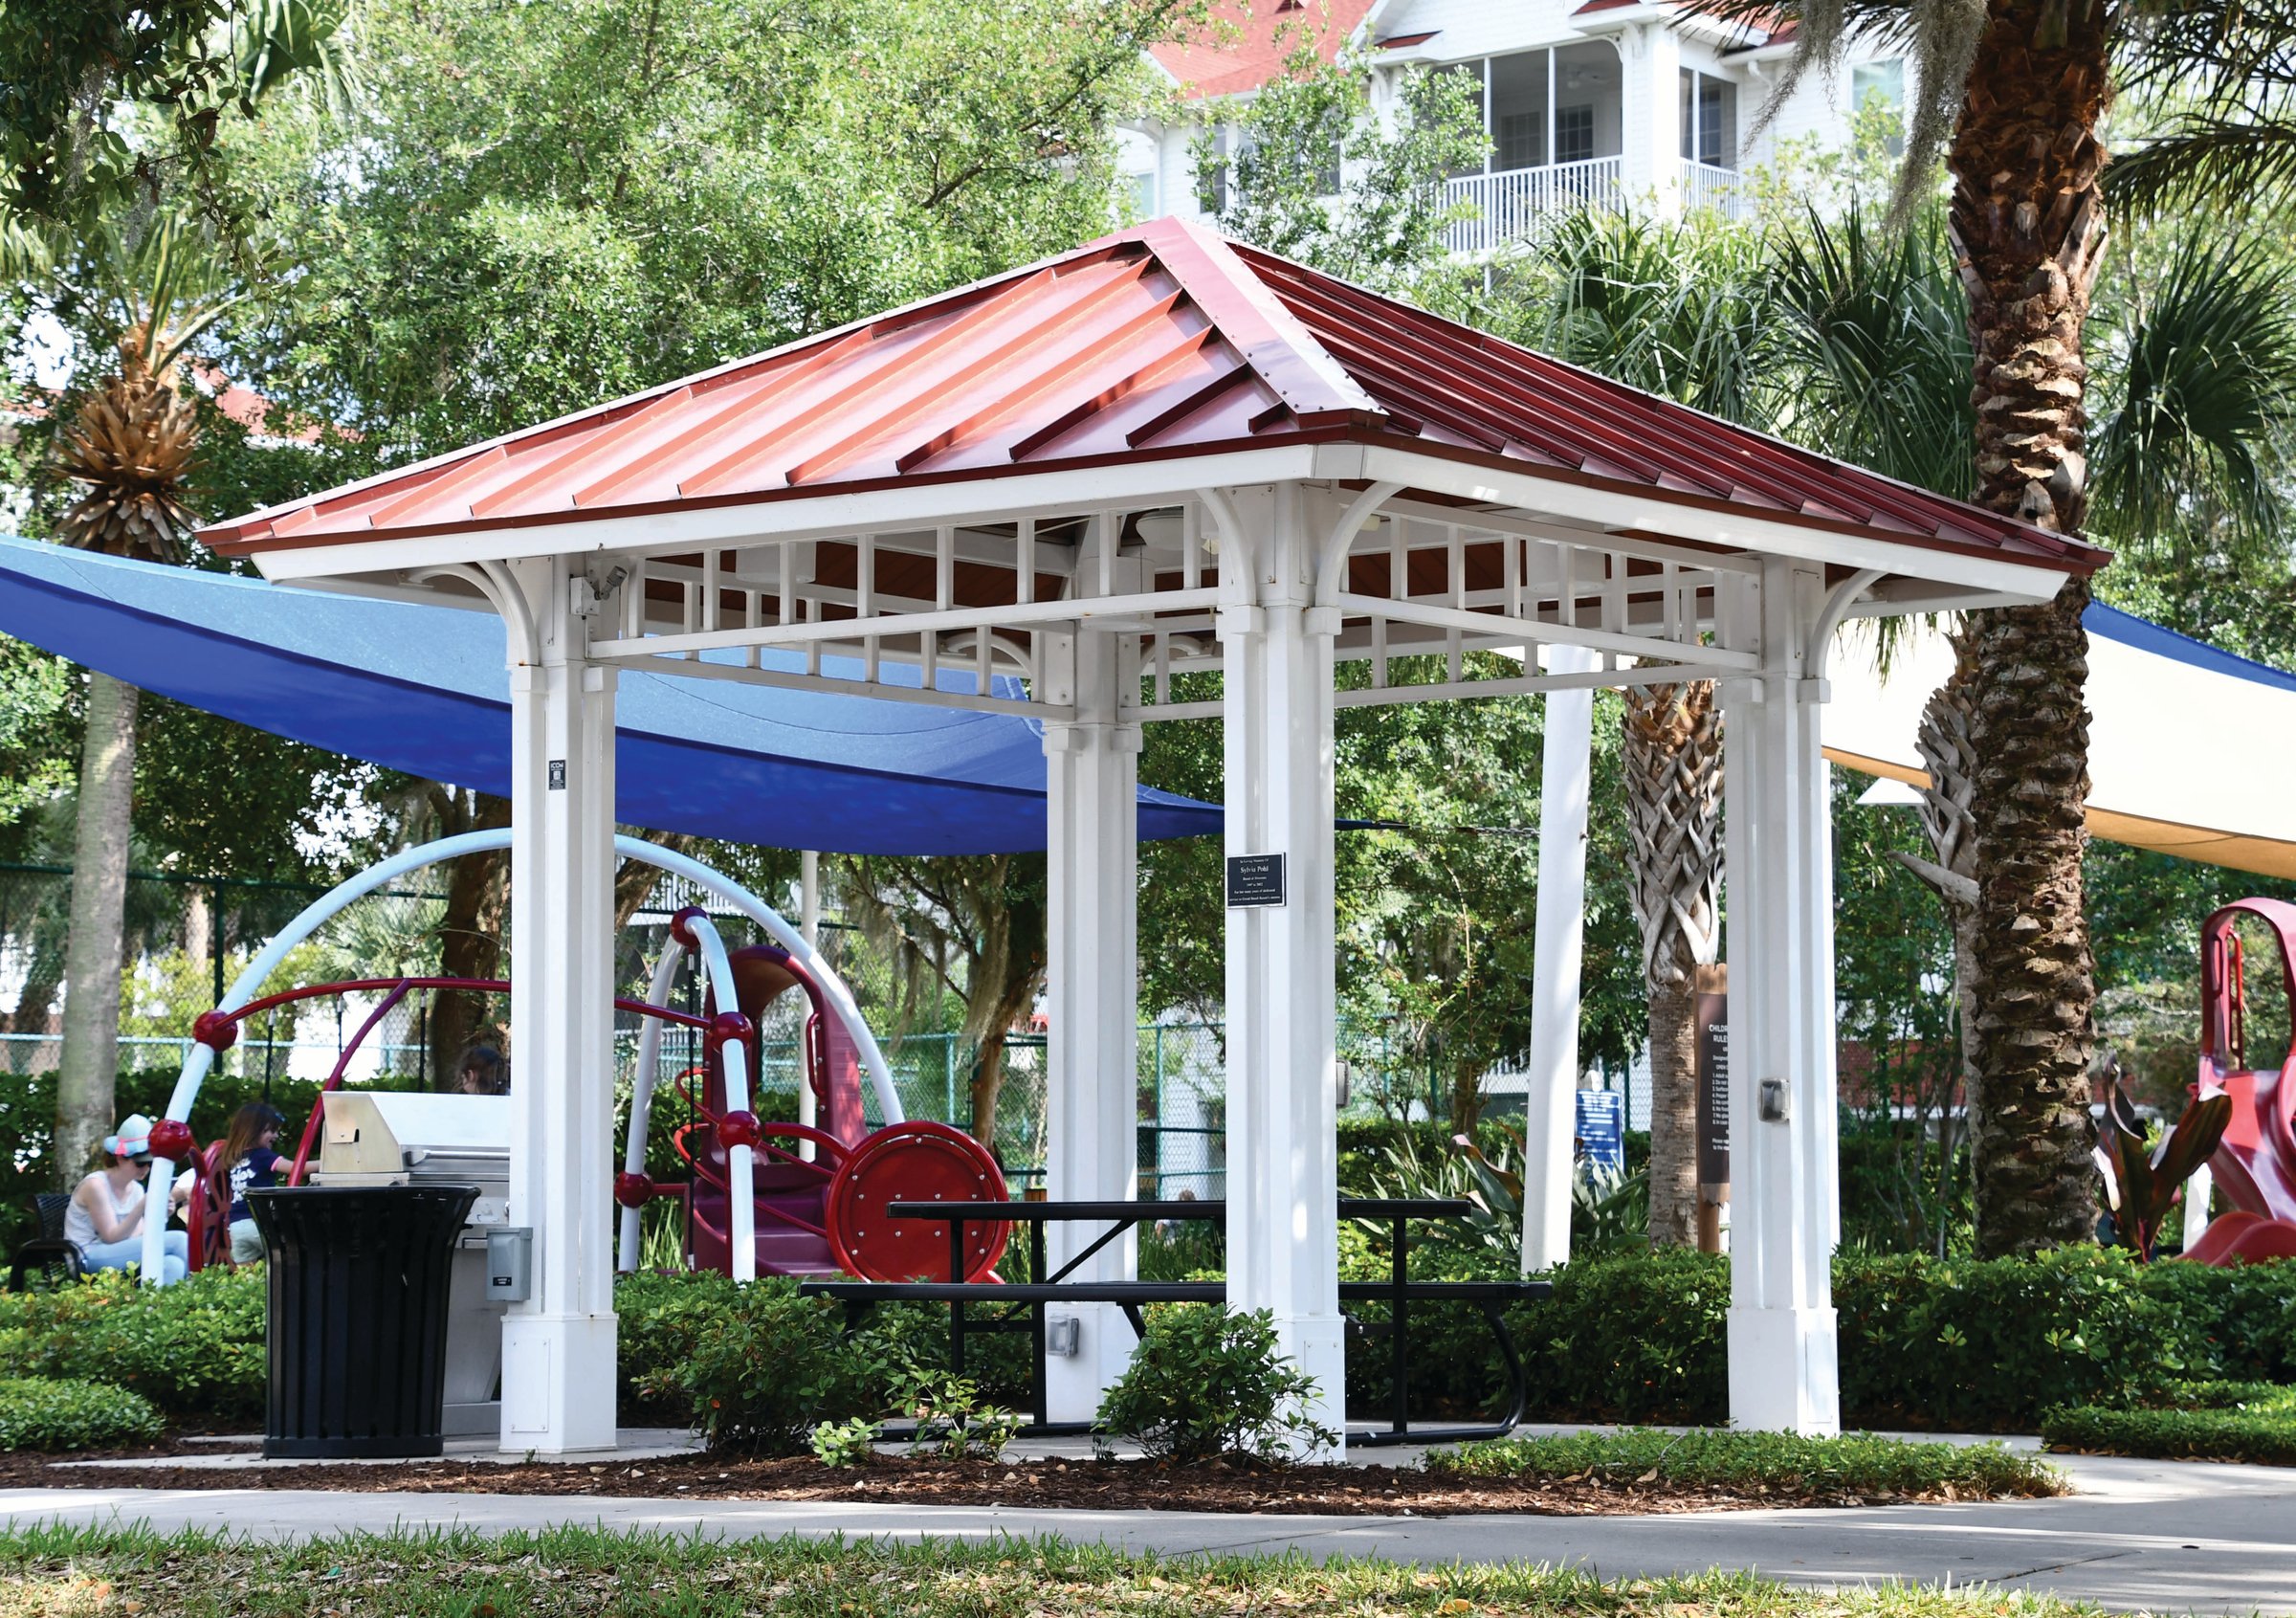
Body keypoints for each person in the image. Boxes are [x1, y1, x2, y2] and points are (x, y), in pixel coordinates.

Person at [65, 1114, 189, 1282]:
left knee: (173, 1265)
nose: (146, 1168)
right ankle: (201, 1295)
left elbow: (139, 1235)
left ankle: (154, 1307)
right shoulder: (96, 1186)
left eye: (150, 1163)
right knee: (179, 1239)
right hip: (86, 1256)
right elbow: (111, 1237)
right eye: (140, 1162)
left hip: (115, 1253)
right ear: (120, 1157)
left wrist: (162, 1216)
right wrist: (142, 1206)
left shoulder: (136, 1188)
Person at [217, 1102, 286, 1264]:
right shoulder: (263, 1155)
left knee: (247, 1278)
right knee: (288, 1257)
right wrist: (326, 1162)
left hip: (236, 1227)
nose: (275, 1136)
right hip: (258, 1223)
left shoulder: (235, 1158)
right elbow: (297, 1168)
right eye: (270, 1130)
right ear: (253, 1131)